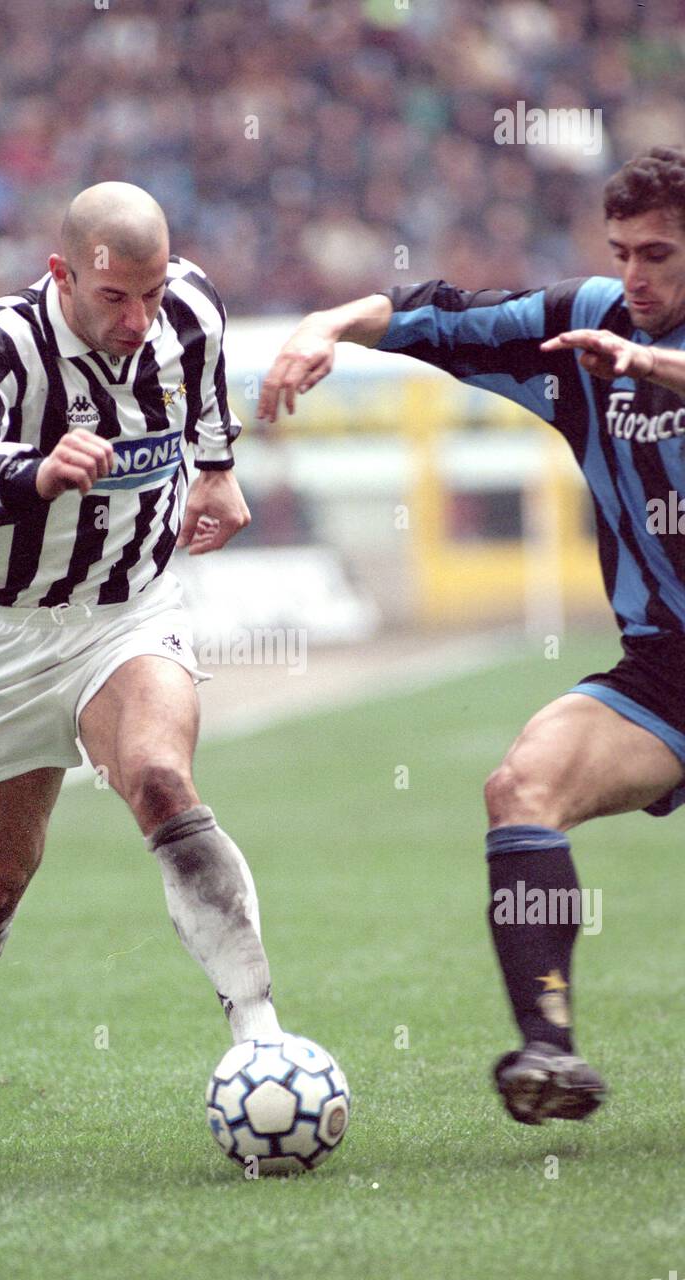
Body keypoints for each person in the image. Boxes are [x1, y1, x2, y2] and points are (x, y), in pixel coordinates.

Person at [258, 145, 685, 1124]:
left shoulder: (637, 352)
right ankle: (550, 1049)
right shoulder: (588, 327)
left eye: (658, 255)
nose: (635, 276)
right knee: (521, 786)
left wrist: (656, 368)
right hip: (667, 674)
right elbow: (436, 314)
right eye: (622, 252)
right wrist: (329, 326)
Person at [0, 182, 282, 1155]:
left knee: (159, 778)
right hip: (7, 636)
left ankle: (260, 1036)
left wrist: (220, 469)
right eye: (117, 298)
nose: (141, 317)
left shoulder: (183, 307)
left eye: (152, 291)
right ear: (63, 274)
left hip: (129, 614)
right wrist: (31, 473)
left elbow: (203, 370)